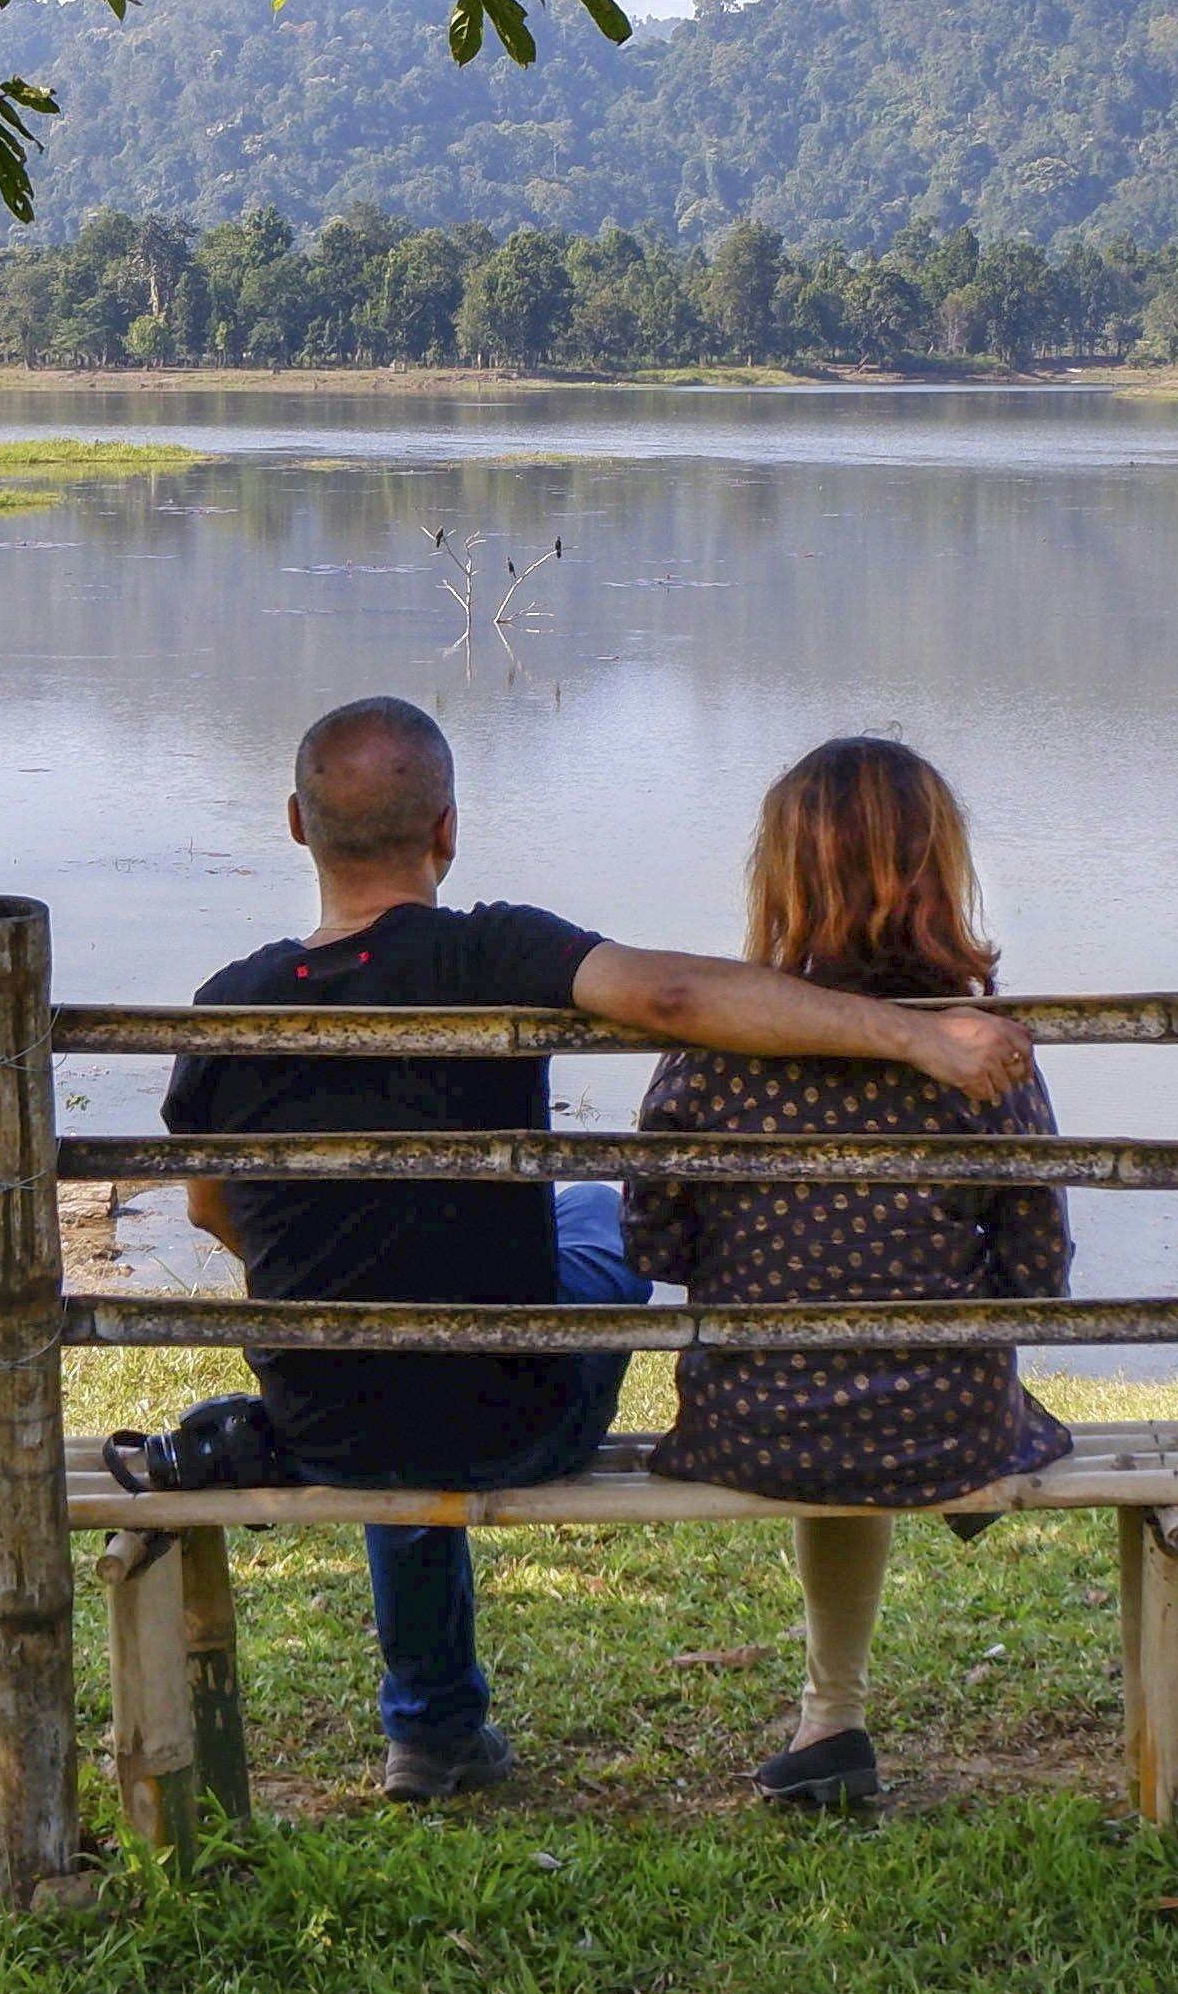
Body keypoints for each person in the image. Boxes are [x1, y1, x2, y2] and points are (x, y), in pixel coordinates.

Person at [165, 695, 1034, 1803]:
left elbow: (207, 1213)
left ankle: (432, 1728)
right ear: (447, 829)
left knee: (411, 1328)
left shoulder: (226, 1006)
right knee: (585, 1222)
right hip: (516, 1415)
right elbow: (671, 996)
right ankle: (446, 1716)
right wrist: (919, 1034)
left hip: (324, 1419)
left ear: (296, 822)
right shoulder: (492, 946)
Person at [618, 735, 1075, 1812]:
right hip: (940, 1419)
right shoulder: (982, 1055)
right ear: (939, 871)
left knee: (829, 1378)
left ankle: (834, 1715)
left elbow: (655, 1249)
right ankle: (833, 1712)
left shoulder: (709, 1053)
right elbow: (1037, 1271)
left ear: (781, 877)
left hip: (754, 1414)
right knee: (923, 1383)